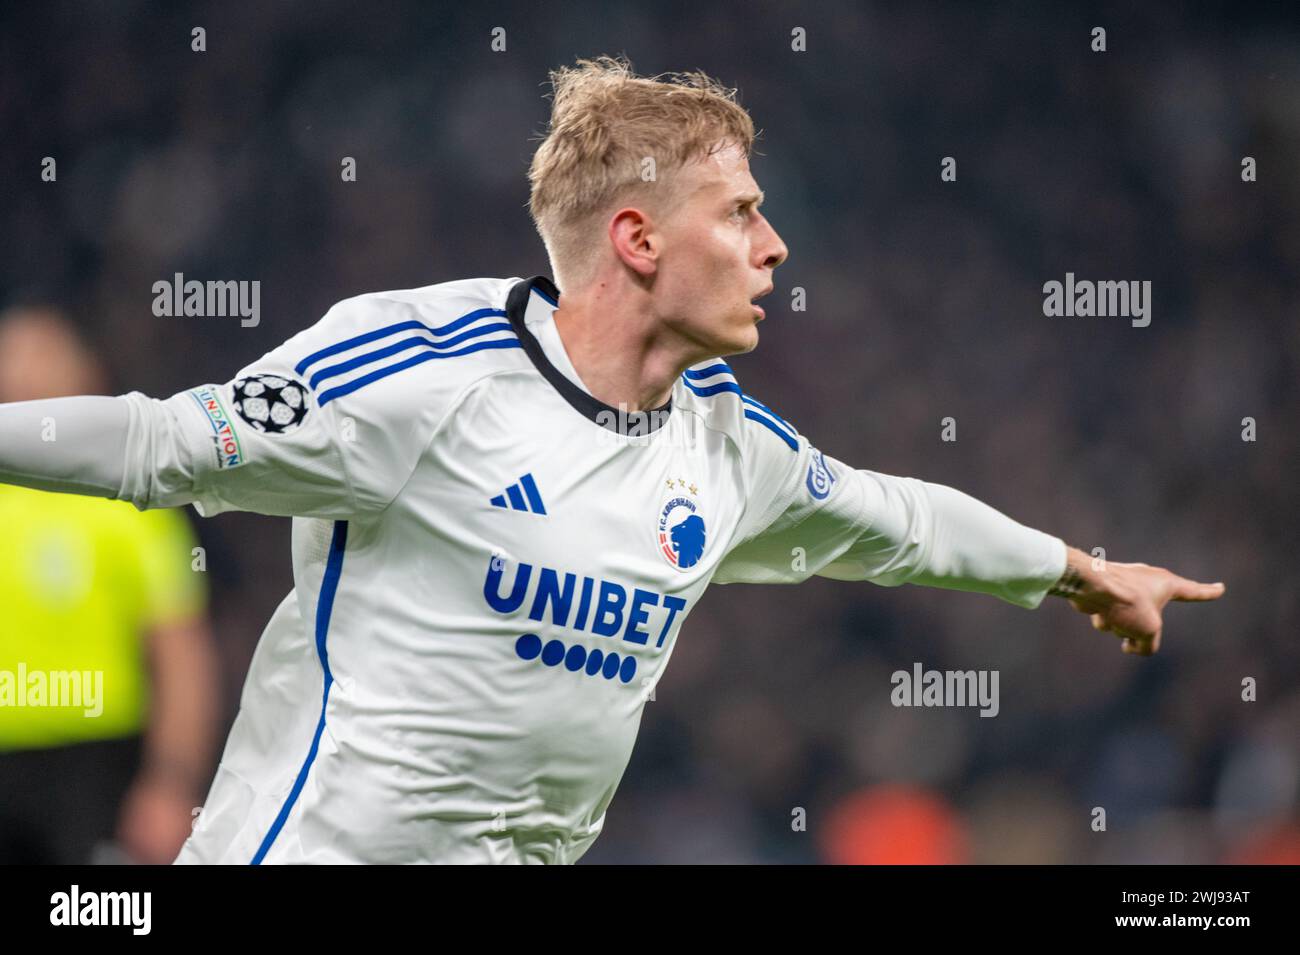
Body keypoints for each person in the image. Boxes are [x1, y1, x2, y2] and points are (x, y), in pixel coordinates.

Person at [0, 56, 1224, 864]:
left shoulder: (724, 442)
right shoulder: (423, 371)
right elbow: (166, 438)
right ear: (636, 237)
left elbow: (893, 518)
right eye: (740, 211)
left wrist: (1077, 570)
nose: (775, 244)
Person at [0, 306, 219, 864]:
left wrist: (170, 785)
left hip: (92, 771)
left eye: (43, 354)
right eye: (10, 354)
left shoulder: (129, 505)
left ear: (86, 375)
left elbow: (181, 656)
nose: (23, 371)